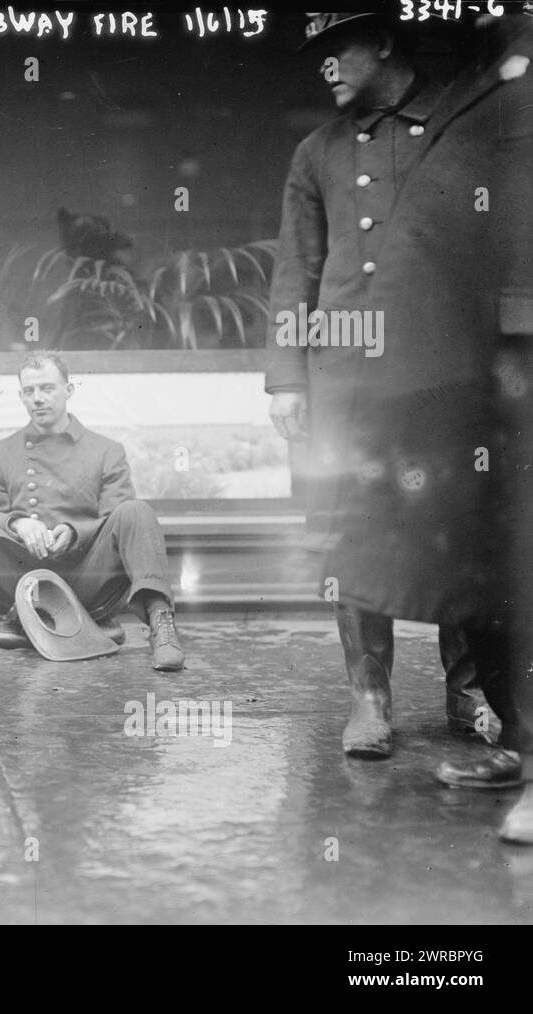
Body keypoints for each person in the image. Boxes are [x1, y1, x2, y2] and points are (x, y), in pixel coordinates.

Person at [265, 11, 498, 758]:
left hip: (443, 372)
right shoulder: (317, 152)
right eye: (318, 57)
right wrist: (287, 379)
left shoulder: (456, 129)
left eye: (338, 49)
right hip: (346, 380)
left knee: (455, 526)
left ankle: (473, 697)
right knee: (354, 532)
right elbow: (294, 271)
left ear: (386, 42)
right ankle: (369, 700)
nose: (326, 67)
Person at [348, 13, 533, 840]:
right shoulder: (485, 75)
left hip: (514, 366)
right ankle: (518, 744)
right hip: (464, 376)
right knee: (483, 574)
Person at [0, 351, 184, 673]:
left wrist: (75, 531)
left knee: (136, 511)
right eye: (29, 391)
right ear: (21, 396)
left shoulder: (106, 451)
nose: (38, 399)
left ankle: (162, 627)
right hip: (15, 582)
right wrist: (18, 523)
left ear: (69, 389)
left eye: (48, 388)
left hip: (83, 582)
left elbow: (115, 517)